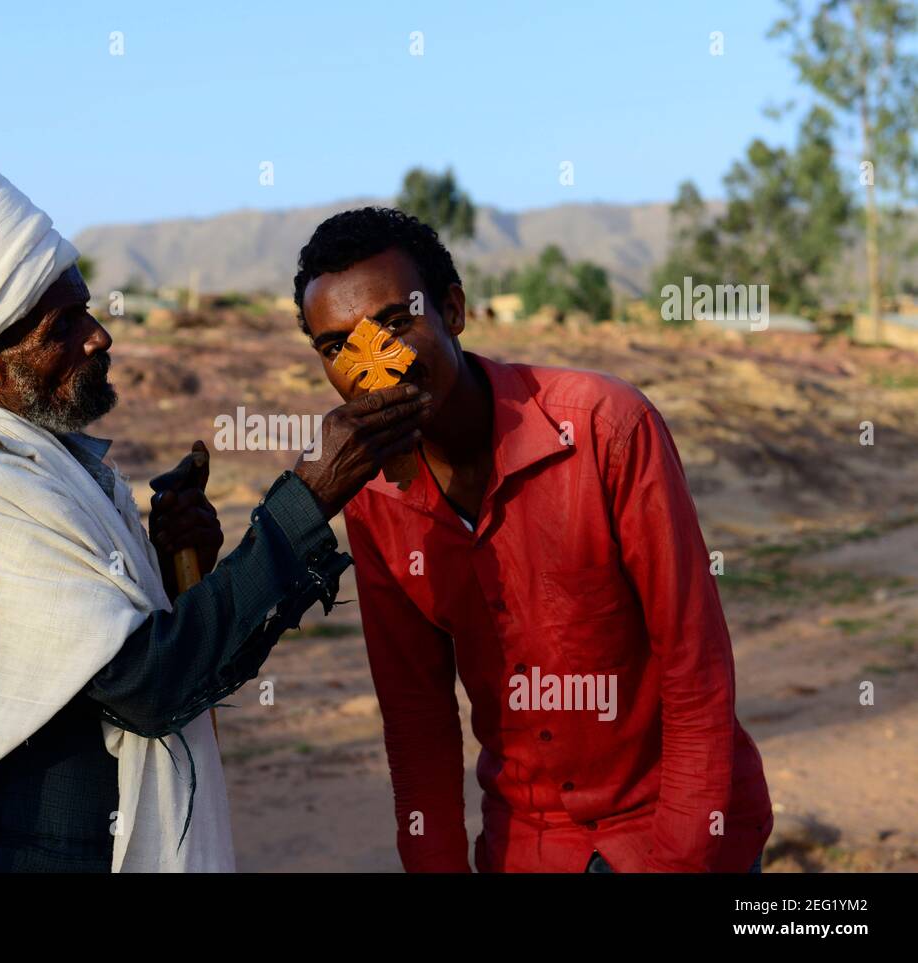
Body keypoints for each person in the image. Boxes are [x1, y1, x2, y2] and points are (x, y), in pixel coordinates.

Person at [0, 170, 427, 872]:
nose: (100, 336)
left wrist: (181, 573)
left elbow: (128, 659)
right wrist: (305, 498)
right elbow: (145, 687)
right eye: (65, 327)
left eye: (86, 308)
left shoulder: (59, 467)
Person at [292, 207, 773, 873]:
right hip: (527, 846)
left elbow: (697, 672)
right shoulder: (375, 498)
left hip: (673, 833)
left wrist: (681, 862)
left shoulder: (608, 428)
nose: (374, 365)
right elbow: (417, 719)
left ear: (453, 310)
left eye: (395, 324)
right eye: (337, 347)